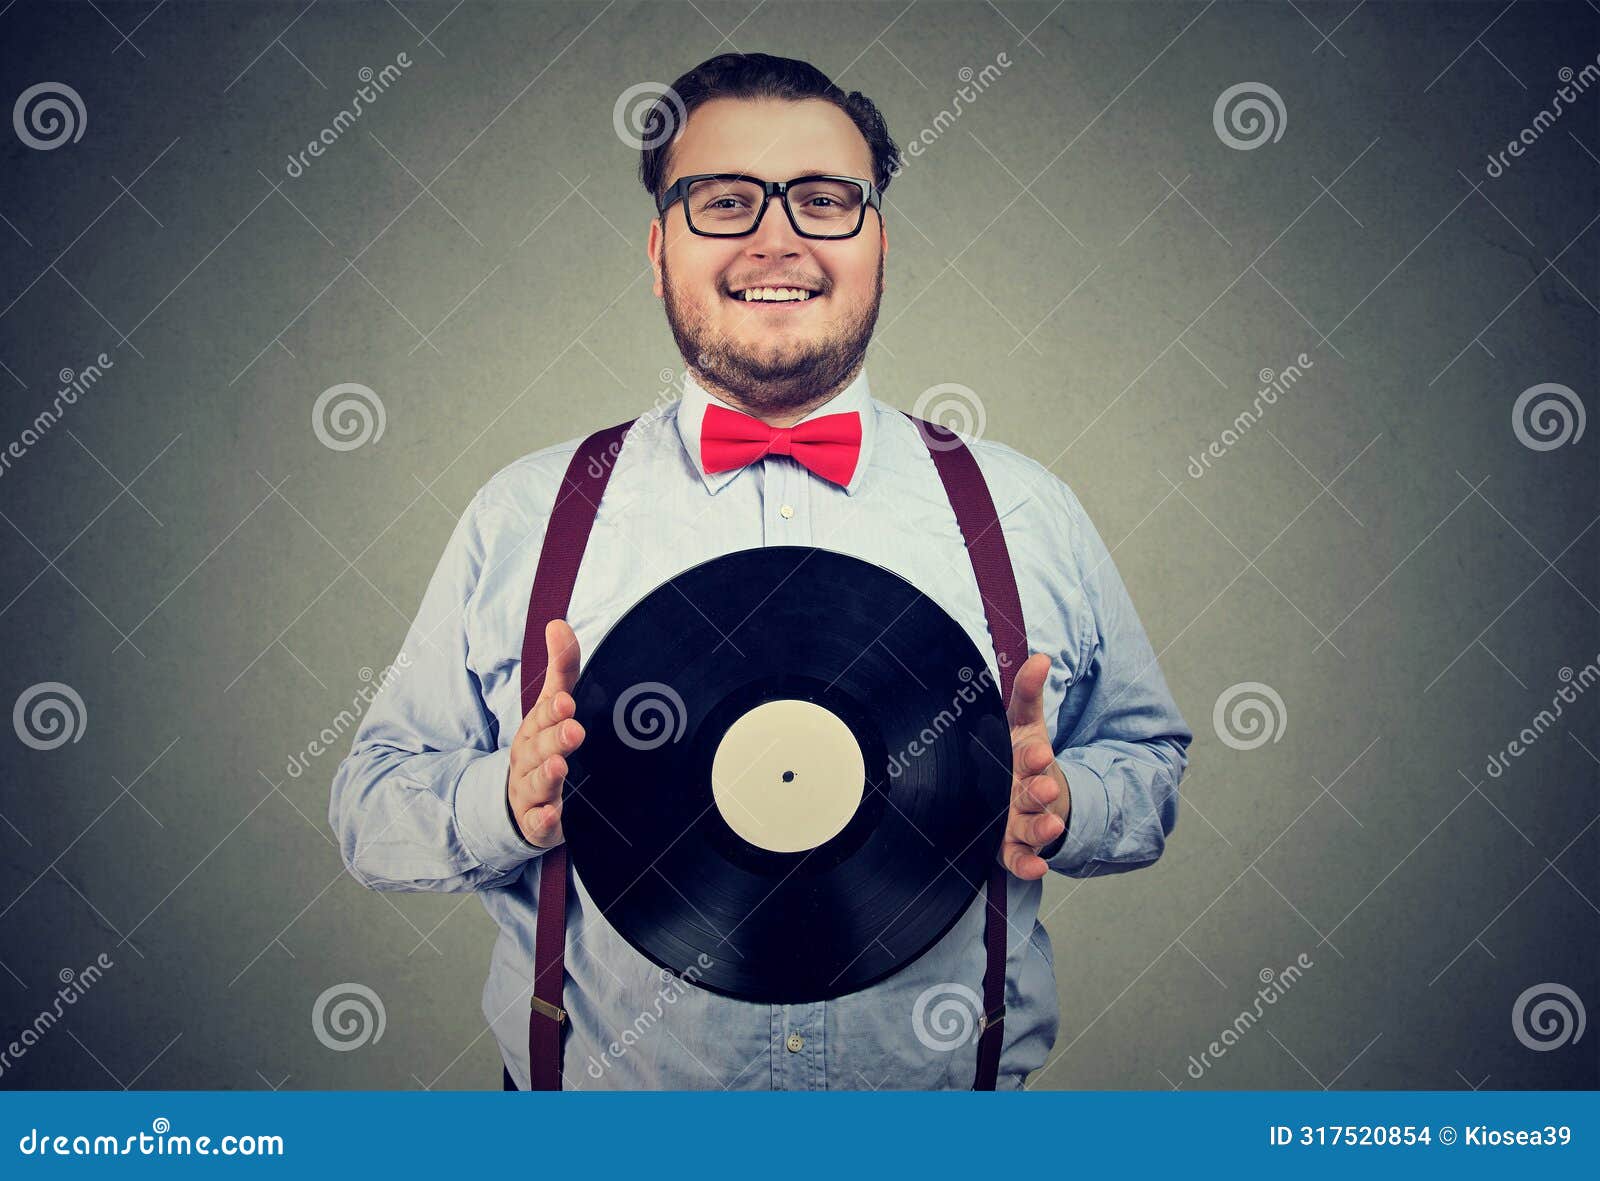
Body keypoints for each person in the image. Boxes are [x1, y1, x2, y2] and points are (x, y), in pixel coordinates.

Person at [328, 51, 1191, 1090]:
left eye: (825, 200)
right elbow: (372, 805)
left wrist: (1071, 803)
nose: (775, 237)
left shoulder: (1022, 511)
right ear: (658, 250)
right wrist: (502, 805)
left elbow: (1146, 757)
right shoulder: (524, 513)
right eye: (725, 201)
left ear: (879, 241)